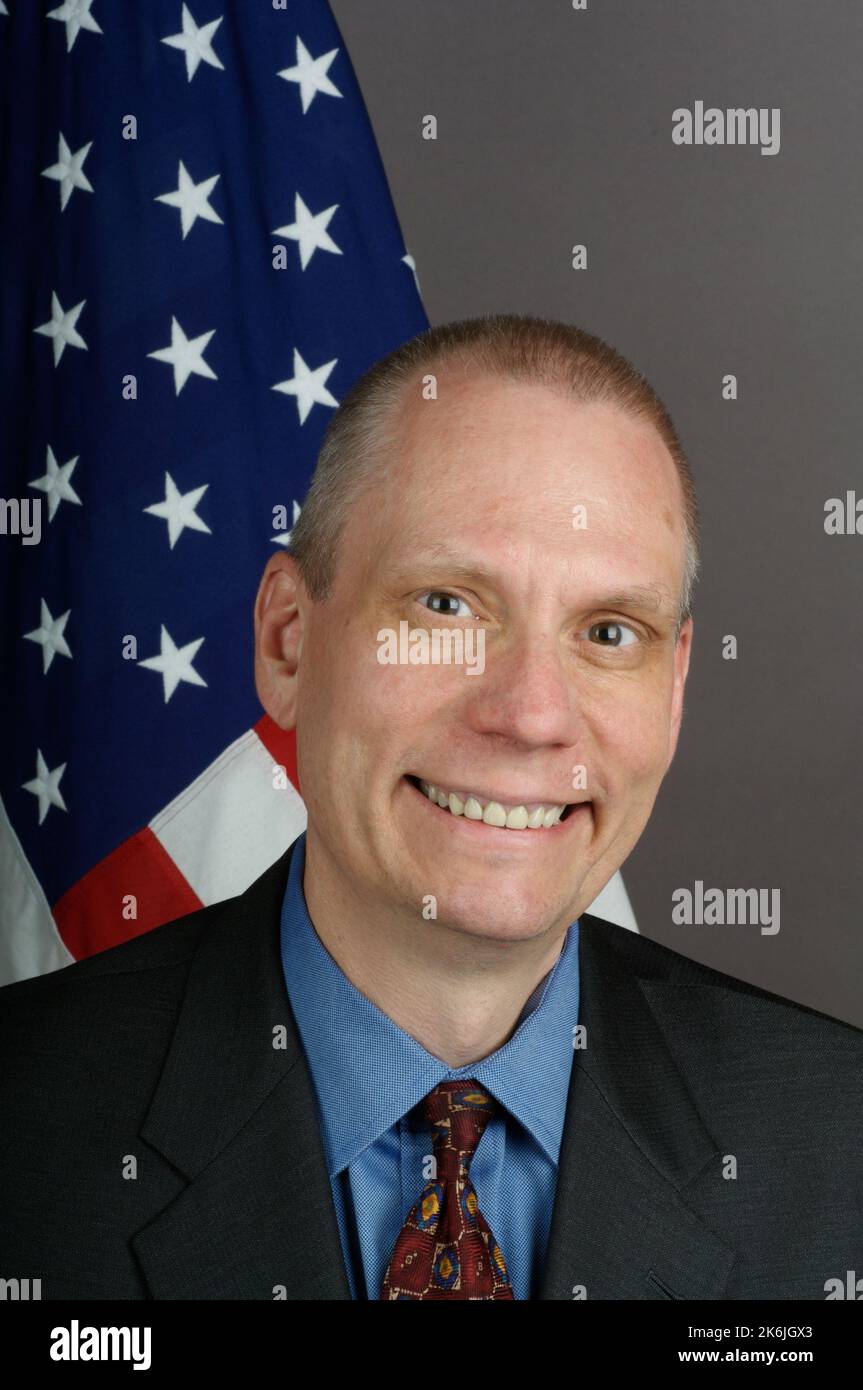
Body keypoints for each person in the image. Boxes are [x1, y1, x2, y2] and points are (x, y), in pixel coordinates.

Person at [1, 314, 860, 1300]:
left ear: (671, 691)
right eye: (445, 606)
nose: (531, 714)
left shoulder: (840, 1152)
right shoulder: (22, 1139)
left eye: (607, 630)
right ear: (287, 642)